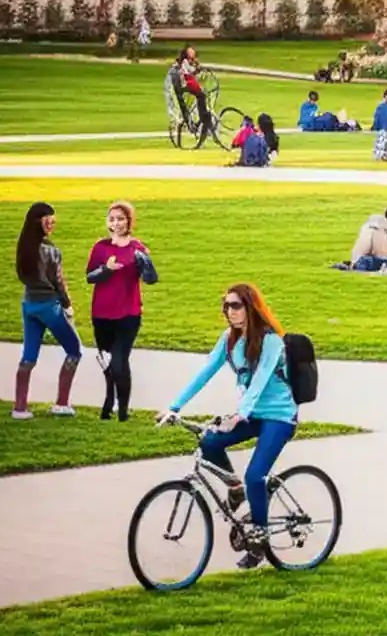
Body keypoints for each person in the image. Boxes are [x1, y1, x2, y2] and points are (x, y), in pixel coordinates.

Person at [158, 283, 298, 570]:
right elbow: (205, 372)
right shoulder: (230, 340)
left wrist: (239, 414)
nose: (229, 312)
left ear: (250, 307)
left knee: (255, 475)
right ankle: (235, 488)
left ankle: (260, 539)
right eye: (226, 306)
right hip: (251, 413)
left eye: (235, 306)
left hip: (279, 416)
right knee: (209, 441)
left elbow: (259, 382)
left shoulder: (271, 341)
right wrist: (174, 406)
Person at [85, 202, 158, 421]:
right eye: (112, 219)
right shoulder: (100, 247)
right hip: (101, 313)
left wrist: (145, 263)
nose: (116, 223)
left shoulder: (137, 248)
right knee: (109, 362)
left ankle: (123, 411)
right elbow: (89, 277)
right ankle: (109, 403)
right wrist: (106, 269)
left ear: (129, 221)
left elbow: (151, 279)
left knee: (119, 360)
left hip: (128, 313)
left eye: (121, 219)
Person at [13, 202, 81, 420]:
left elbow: (22, 277)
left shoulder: (24, 248)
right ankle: (61, 403)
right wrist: (68, 305)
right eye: (49, 220)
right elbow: (59, 282)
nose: (52, 224)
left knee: (29, 356)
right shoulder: (51, 251)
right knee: (73, 350)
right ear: (40, 222)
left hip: (29, 304)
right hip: (50, 306)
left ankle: (20, 408)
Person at [169, 45, 212, 137]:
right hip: (182, 84)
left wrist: (198, 68)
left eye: (193, 51)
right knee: (200, 96)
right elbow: (188, 72)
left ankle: (198, 121)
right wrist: (197, 69)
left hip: (184, 83)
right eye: (190, 51)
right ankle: (201, 119)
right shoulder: (184, 62)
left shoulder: (189, 62)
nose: (193, 53)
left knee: (198, 97)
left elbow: (193, 72)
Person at [371, 89, 387, 161]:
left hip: (383, 130)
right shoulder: (384, 107)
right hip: (385, 130)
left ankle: (380, 154)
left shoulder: (385, 107)